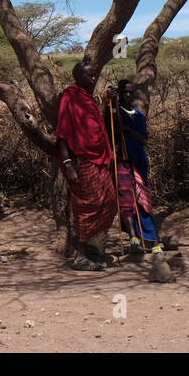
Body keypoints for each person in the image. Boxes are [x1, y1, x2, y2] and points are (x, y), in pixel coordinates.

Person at [56, 58, 117, 271]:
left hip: (100, 159)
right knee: (85, 207)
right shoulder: (70, 97)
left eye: (94, 76)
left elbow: (96, 121)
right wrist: (67, 164)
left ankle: (91, 248)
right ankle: (80, 255)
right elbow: (62, 134)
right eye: (88, 76)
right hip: (81, 160)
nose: (93, 79)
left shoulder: (88, 100)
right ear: (78, 77)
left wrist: (106, 102)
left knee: (109, 202)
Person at [106, 78, 161, 254]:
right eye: (125, 92)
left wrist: (128, 130)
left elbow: (144, 139)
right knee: (126, 200)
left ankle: (150, 239)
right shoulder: (114, 112)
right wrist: (110, 102)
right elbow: (109, 126)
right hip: (121, 160)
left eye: (131, 92)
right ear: (120, 93)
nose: (128, 95)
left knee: (143, 201)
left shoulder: (138, 115)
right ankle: (133, 238)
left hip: (139, 162)